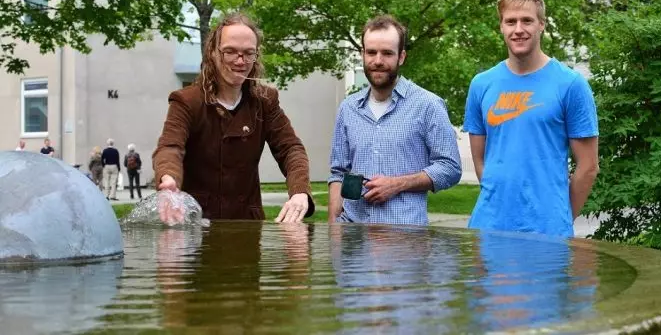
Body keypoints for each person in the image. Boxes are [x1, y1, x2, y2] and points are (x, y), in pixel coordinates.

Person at [462, 0, 599, 237]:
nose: (518, 29)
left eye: (527, 21)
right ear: (501, 27)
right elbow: (481, 161)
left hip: (547, 230)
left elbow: (588, 167)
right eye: (510, 21)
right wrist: (499, 201)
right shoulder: (481, 84)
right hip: (489, 227)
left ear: (541, 25)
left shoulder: (570, 85)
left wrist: (562, 216)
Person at [152, 13, 314, 222]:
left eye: (248, 53)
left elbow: (291, 149)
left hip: (246, 226)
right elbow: (169, 148)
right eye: (230, 52)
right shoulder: (187, 101)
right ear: (213, 52)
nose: (240, 61)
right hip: (196, 224)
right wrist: (169, 179)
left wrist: (300, 191)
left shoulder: (265, 101)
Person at [327, 15, 462, 225]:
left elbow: (450, 168)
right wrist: (334, 229)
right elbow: (338, 173)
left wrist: (398, 184)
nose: (378, 61)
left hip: (405, 240)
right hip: (354, 240)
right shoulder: (348, 108)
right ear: (362, 54)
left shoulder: (428, 105)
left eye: (387, 53)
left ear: (401, 57)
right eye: (371, 52)